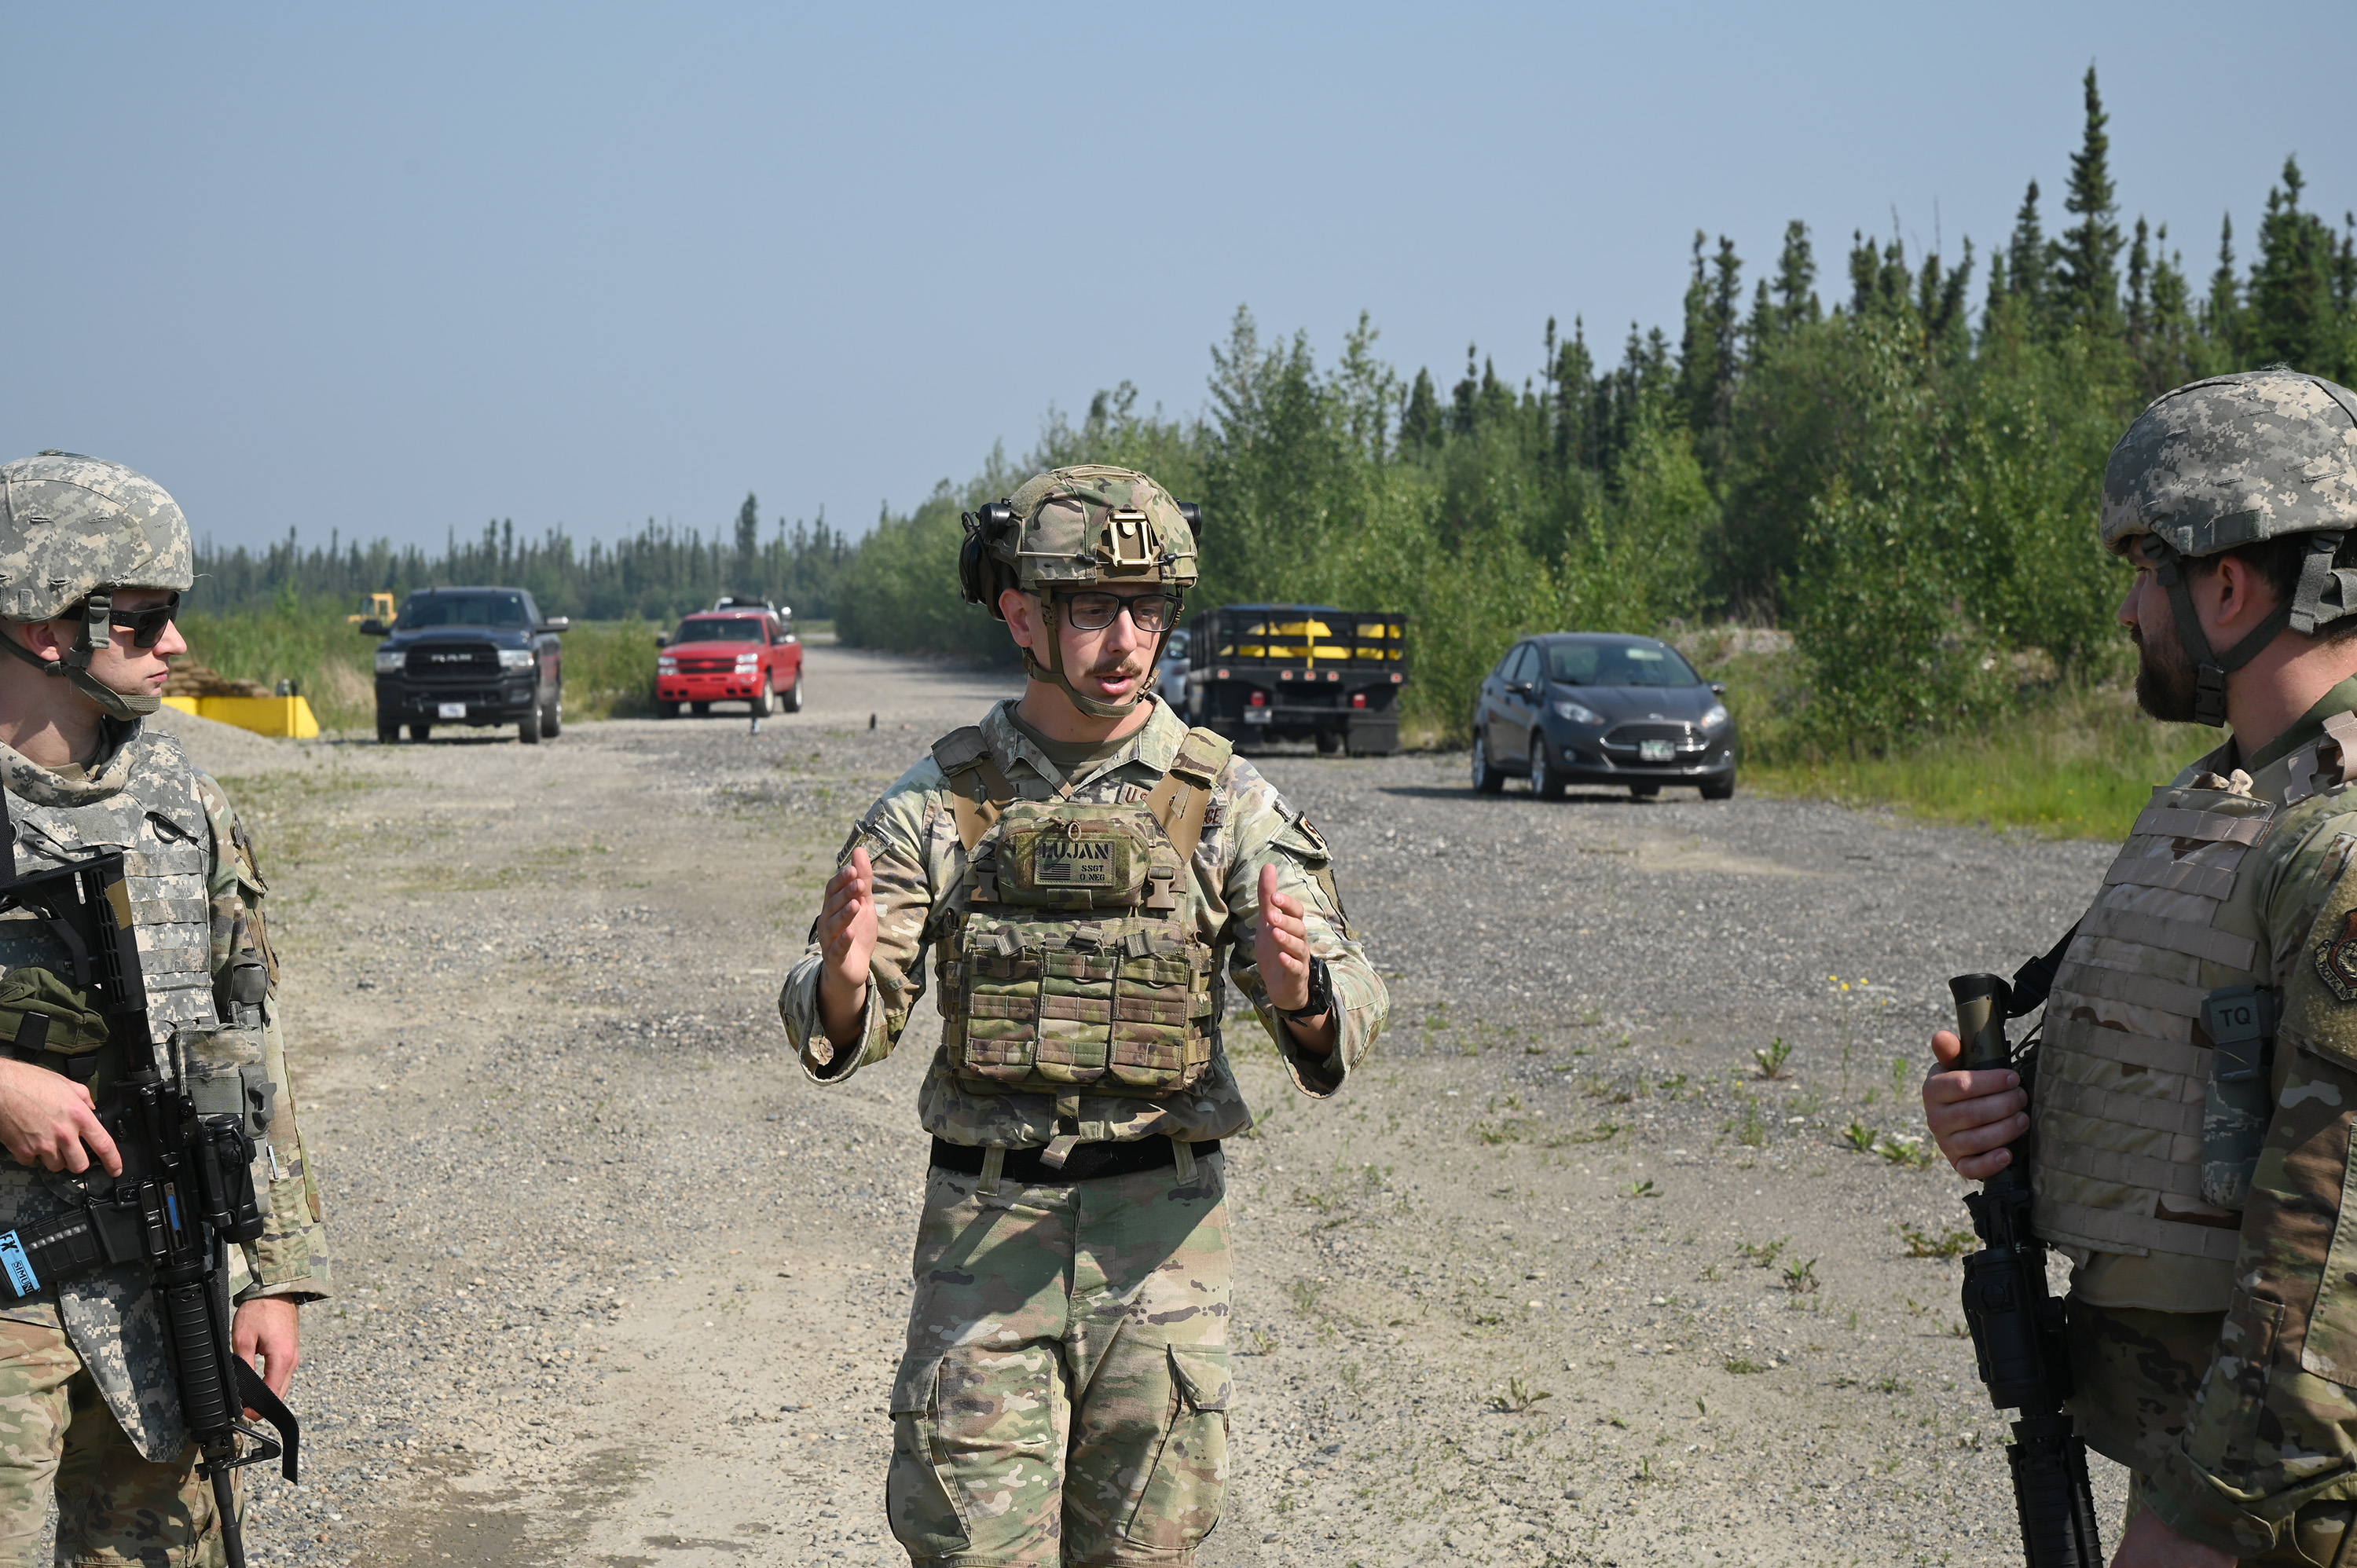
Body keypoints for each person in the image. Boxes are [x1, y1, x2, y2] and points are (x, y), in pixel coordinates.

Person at [778, 465, 1387, 1566]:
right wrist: (843, 979)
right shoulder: (945, 800)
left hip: (1161, 1241)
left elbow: (1352, 1002)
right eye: (1096, 608)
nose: (1127, 639)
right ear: (1024, 617)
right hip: (986, 1235)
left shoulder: (1220, 797)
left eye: (1148, 609)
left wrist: (1302, 997)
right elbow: (843, 1017)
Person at [1923, 370, 2357, 1566]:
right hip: (2207, 1436)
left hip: (2267, 1484)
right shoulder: (2243, 795)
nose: (2128, 611)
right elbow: (2215, 1073)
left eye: (2143, 566)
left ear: (2226, 584)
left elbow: (2335, 1248)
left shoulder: (2339, 840)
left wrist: (2215, 1517)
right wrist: (2013, 1105)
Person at [0, 452, 332, 1565]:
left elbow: (248, 1045)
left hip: (157, 1288)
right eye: (141, 621)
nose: (176, 645)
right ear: (45, 626)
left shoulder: (182, 805)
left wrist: (274, 1277)